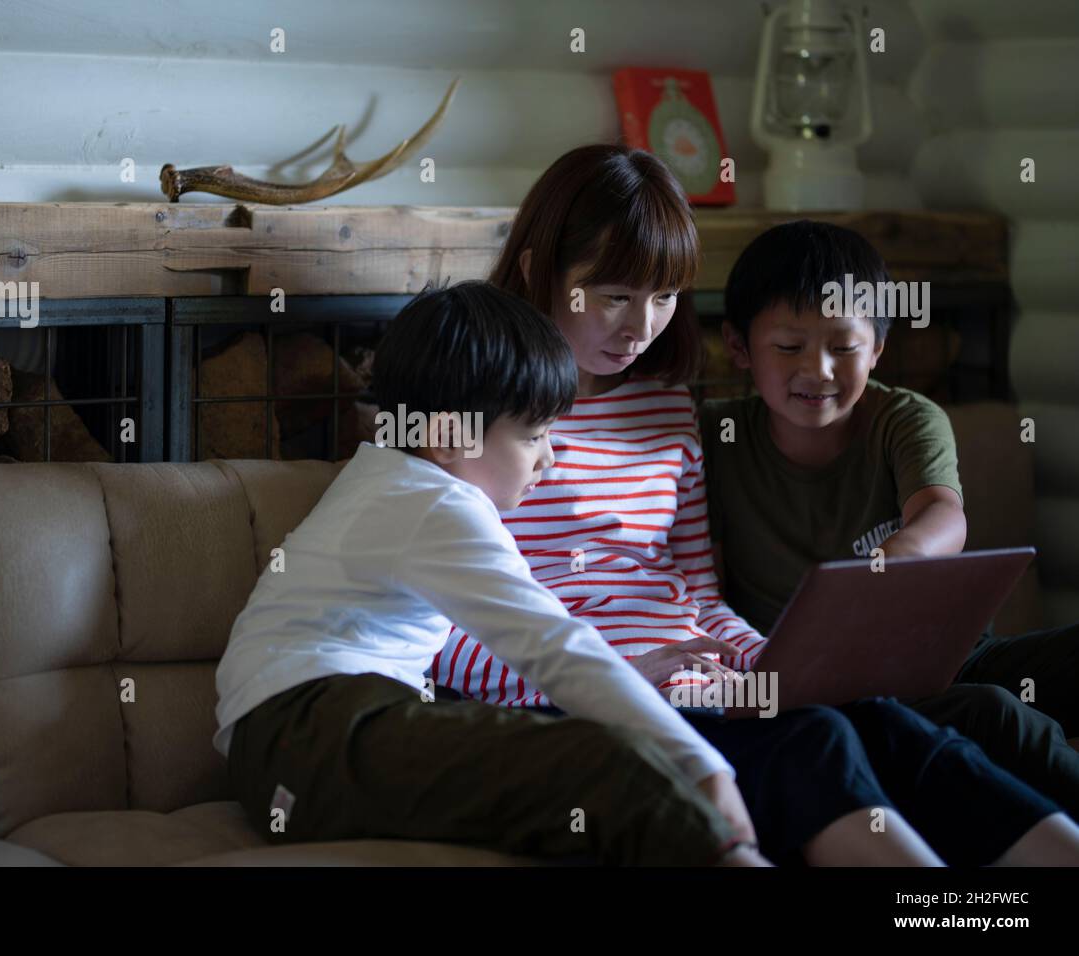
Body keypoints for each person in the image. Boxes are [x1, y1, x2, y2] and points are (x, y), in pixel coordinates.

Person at [432, 143, 1079, 865]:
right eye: (614, 295)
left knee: (889, 724)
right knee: (824, 739)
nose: (641, 326)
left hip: (705, 676)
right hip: (590, 692)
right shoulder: (475, 419)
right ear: (537, 270)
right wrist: (613, 676)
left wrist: (776, 666)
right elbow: (444, 623)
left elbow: (698, 596)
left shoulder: (668, 406)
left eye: (666, 296)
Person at [215, 280, 768, 866]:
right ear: (447, 435)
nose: (549, 458)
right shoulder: (432, 505)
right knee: (605, 762)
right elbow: (552, 646)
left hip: (301, 738)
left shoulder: (390, 477)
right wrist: (703, 766)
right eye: (534, 435)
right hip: (308, 735)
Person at [698, 218, 1079, 819]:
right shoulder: (714, 435)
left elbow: (941, 512)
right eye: (790, 346)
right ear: (740, 347)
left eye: (843, 348)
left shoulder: (904, 418)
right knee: (998, 714)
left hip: (945, 654)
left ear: (876, 348)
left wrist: (901, 556)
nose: (818, 371)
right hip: (828, 689)